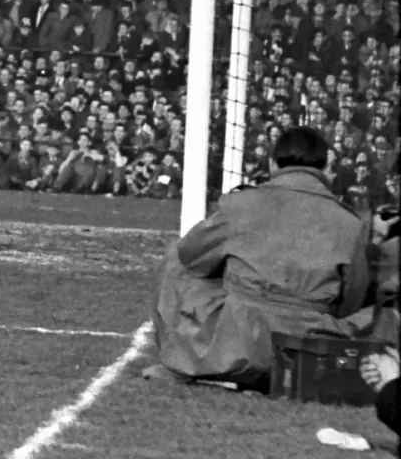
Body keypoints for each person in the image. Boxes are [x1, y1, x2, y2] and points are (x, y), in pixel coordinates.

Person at [146, 126, 395, 391]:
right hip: (307, 347)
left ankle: (180, 359)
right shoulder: (350, 222)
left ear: (272, 163)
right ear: (325, 168)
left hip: (235, 346)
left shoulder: (243, 203)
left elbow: (190, 255)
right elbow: (351, 298)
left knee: (176, 258)